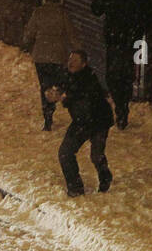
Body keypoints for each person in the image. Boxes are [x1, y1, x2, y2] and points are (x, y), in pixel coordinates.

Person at [90, 0, 152, 129]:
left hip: (114, 43)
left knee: (113, 77)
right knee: (127, 75)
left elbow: (95, 9)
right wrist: (139, 30)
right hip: (134, 43)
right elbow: (150, 18)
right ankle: (123, 106)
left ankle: (120, 106)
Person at [45, 49, 114, 198]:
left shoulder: (89, 78)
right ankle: (75, 188)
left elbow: (81, 94)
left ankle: (105, 176)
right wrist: (52, 92)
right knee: (65, 152)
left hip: (98, 120)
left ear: (84, 64)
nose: (71, 63)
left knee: (96, 154)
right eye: (70, 59)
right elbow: (57, 85)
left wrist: (63, 97)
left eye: (75, 61)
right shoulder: (67, 75)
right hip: (81, 121)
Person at [22, 0, 78, 130]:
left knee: (45, 86)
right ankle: (57, 106)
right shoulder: (62, 14)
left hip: (41, 56)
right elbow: (72, 35)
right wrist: (79, 50)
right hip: (58, 56)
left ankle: (48, 116)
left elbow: (29, 33)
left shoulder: (39, 12)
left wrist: (26, 42)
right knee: (58, 84)